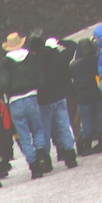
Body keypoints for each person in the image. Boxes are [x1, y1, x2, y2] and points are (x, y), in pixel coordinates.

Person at [0, 32, 49, 177]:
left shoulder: (5, 62)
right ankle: (41, 153)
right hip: (32, 97)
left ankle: (34, 166)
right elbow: (40, 76)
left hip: (15, 102)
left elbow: (1, 83)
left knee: (24, 135)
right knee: (37, 129)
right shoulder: (30, 57)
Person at [29, 33, 79, 167]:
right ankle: (70, 154)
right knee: (64, 126)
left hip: (44, 100)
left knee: (45, 130)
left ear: (33, 50)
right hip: (60, 96)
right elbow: (67, 74)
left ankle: (45, 159)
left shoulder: (34, 63)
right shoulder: (56, 57)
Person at [71, 37, 100, 154]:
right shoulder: (96, 59)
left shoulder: (74, 64)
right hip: (96, 92)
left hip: (82, 95)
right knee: (99, 117)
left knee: (86, 121)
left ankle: (85, 143)